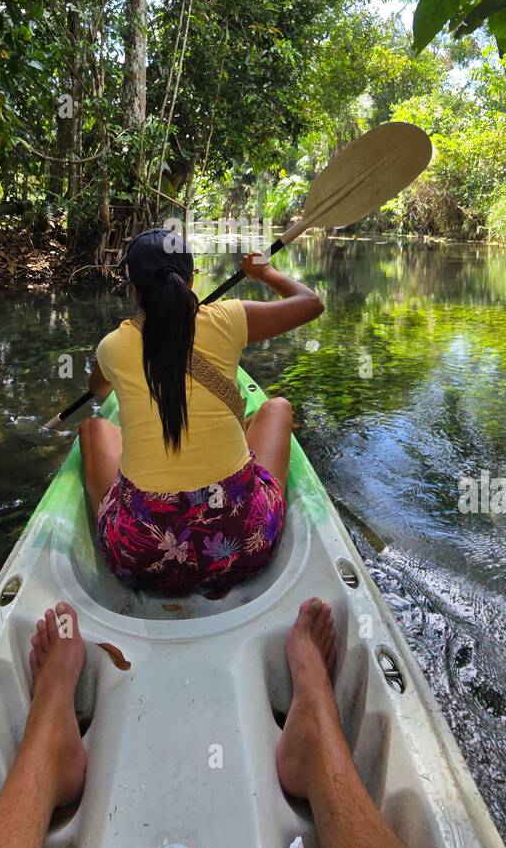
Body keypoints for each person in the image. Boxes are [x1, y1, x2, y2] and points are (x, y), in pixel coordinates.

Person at [0, 597, 437, 848]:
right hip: (236, 528)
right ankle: (319, 728)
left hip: (138, 536)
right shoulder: (238, 410)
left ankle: (48, 738)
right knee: (279, 408)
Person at [79, 228, 323, 596]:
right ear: (191, 279)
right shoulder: (228, 319)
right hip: (242, 546)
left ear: (133, 290)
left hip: (143, 559)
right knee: (278, 408)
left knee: (94, 428)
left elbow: (97, 389)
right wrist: (265, 273)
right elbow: (311, 303)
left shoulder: (112, 346)